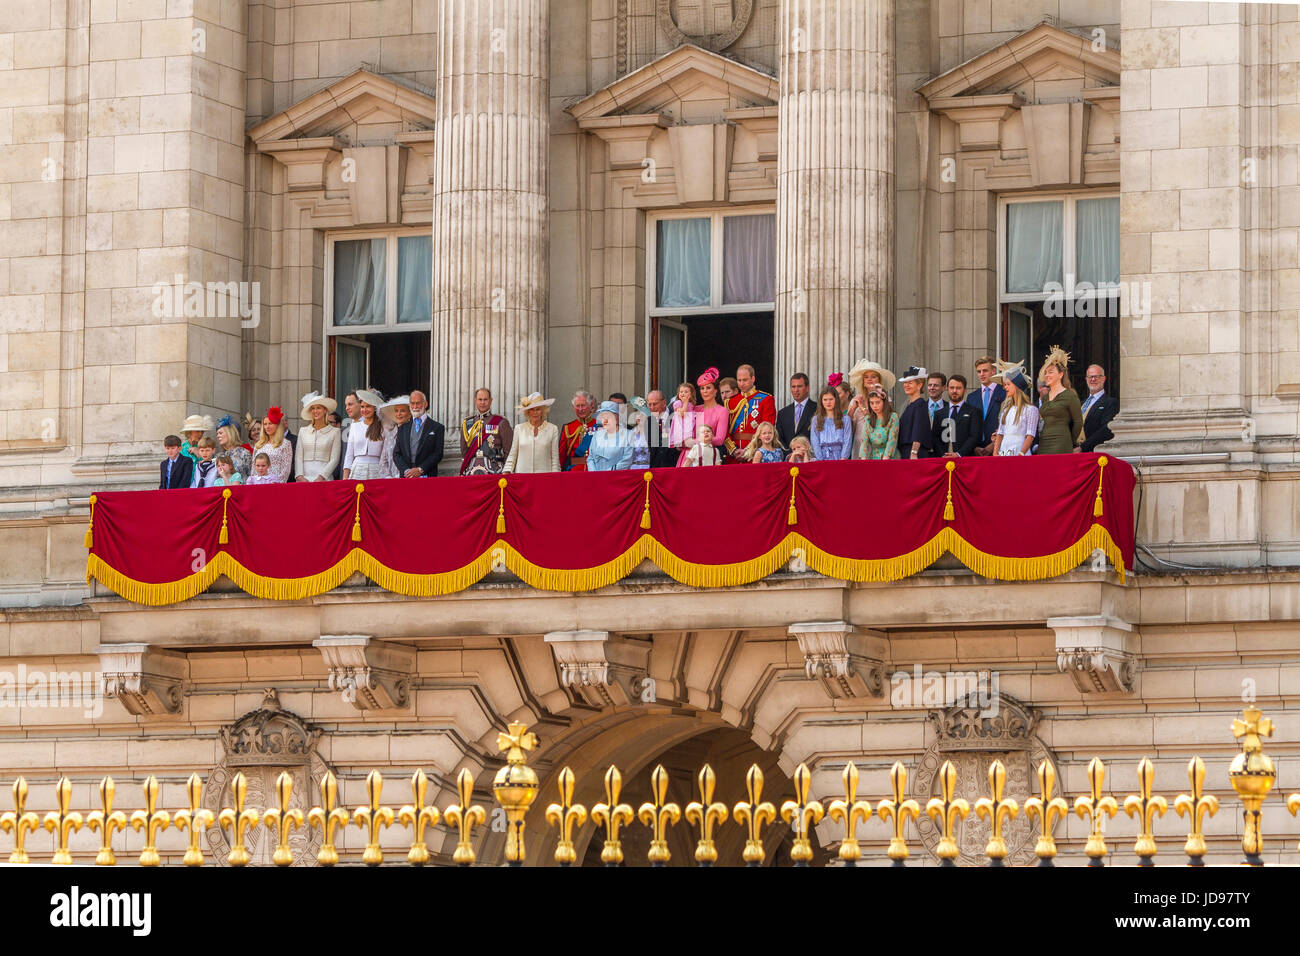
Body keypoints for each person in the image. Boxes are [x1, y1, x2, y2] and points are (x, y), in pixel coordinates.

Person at [1036, 345, 1084, 455]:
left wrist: (1069, 440)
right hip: (1044, 443)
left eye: (1051, 372)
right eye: (1046, 372)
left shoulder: (1070, 395)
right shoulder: (1045, 397)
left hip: (1062, 442)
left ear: (1060, 374)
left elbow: (1078, 422)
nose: (1047, 375)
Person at [725, 364, 776, 462]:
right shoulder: (730, 402)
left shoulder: (766, 399)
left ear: (753, 379)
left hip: (755, 453)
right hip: (733, 456)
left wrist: (748, 450)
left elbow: (768, 428)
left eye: (745, 380)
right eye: (739, 380)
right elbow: (725, 431)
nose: (741, 384)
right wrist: (733, 450)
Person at [846, 360, 896, 457]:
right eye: (866, 377)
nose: (869, 379)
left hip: (878, 445)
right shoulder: (856, 399)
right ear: (863, 381)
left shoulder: (886, 399)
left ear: (879, 380)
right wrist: (852, 409)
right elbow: (848, 429)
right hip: (859, 444)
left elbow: (884, 423)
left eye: (873, 376)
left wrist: (863, 408)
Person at [459, 388, 513, 476]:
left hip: (495, 470)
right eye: (480, 399)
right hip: (472, 471)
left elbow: (509, 450)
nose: (482, 402)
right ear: (475, 400)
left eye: (485, 399)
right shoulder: (468, 423)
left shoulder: (501, 422)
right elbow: (464, 451)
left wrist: (507, 470)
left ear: (491, 401)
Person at [504, 392, 560, 474]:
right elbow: (513, 454)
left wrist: (555, 476)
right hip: (522, 477)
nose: (535, 413)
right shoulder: (519, 429)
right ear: (527, 412)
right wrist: (507, 470)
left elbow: (555, 458)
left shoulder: (553, 429)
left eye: (538, 409)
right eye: (532, 409)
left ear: (543, 410)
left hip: (544, 477)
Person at [992, 362, 1040, 457]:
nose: (1005, 387)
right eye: (1004, 385)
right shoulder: (1005, 409)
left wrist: (1021, 454)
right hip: (1004, 451)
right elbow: (1000, 433)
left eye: (1008, 384)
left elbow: (1030, 435)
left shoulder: (1031, 409)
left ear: (1017, 386)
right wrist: (995, 453)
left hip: (1020, 452)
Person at [393, 389, 444, 478]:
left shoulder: (437, 427)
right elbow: (396, 454)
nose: (415, 406)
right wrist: (406, 470)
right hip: (406, 477)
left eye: (418, 403)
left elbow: (438, 453)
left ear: (426, 404)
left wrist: (420, 469)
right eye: (412, 403)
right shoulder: (402, 428)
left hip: (427, 476)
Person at [294, 391, 341, 482]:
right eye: (313, 408)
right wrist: (300, 476)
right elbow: (298, 457)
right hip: (304, 480)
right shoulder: (303, 431)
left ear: (325, 410)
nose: (315, 411)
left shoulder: (335, 432)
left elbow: (334, 459)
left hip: (324, 480)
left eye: (318, 408)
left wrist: (322, 477)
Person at [342, 388, 387, 480]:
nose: (365, 410)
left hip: (377, 470)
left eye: (368, 406)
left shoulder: (384, 427)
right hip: (356, 470)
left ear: (375, 408)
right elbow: (349, 455)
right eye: (362, 407)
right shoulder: (354, 426)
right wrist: (345, 479)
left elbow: (385, 456)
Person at [967, 356, 1006, 456]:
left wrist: (994, 445)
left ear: (993, 371)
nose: (981, 374)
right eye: (979, 371)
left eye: (985, 371)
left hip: (1000, 447)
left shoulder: (1005, 393)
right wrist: (973, 446)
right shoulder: (971, 397)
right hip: (976, 450)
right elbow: (968, 425)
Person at [690, 368, 730, 463]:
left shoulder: (722, 411)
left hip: (710, 457)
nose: (705, 391)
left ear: (716, 390)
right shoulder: (695, 409)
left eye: (708, 388)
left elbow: (720, 439)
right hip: (691, 455)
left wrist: (693, 442)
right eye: (702, 388)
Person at [935, 374, 979, 457]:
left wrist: (959, 454)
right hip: (943, 460)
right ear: (947, 389)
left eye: (958, 388)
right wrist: (942, 454)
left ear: (965, 390)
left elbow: (974, 437)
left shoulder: (974, 412)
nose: (954, 391)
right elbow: (935, 437)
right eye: (951, 388)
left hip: (966, 460)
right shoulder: (939, 413)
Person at [1079, 365, 1119, 453]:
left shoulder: (1110, 402)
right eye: (1090, 377)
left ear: (1103, 379)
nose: (1093, 379)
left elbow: (1106, 429)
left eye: (1097, 376)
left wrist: (1083, 447)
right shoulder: (1081, 403)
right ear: (1086, 379)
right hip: (1075, 452)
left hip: (1094, 453)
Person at [896, 366, 932, 460]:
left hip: (914, 452)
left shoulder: (920, 404)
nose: (906, 385)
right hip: (905, 451)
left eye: (910, 383)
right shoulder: (908, 405)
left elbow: (918, 429)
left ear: (919, 385)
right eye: (905, 382)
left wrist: (914, 452)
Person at [587, 401, 634, 472]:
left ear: (617, 418)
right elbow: (590, 458)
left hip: (616, 478)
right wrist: (594, 473)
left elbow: (627, 460)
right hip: (596, 478)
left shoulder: (628, 435)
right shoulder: (597, 435)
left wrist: (607, 473)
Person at [809, 386, 853, 460]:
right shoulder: (816, 419)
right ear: (821, 401)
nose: (828, 402)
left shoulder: (845, 419)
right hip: (822, 457)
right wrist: (820, 459)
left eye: (831, 399)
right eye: (825, 400)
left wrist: (843, 458)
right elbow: (814, 441)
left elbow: (847, 440)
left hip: (839, 457)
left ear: (836, 400)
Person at [560, 390, 597, 471]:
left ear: (591, 406)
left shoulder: (599, 426)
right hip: (574, 471)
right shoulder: (568, 427)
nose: (580, 409)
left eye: (583, 405)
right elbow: (562, 455)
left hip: (594, 470)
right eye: (577, 406)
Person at [255, 407, 294, 482]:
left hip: (275, 485)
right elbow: (254, 469)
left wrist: (275, 484)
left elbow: (285, 470)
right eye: (265, 424)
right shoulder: (259, 444)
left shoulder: (285, 444)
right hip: (258, 485)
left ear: (277, 425)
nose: (267, 427)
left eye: (270, 423)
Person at [777, 372, 814, 449]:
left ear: (807, 388)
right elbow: (779, 438)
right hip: (788, 458)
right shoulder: (782, 413)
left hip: (810, 457)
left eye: (799, 386)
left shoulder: (818, 409)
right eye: (793, 387)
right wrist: (789, 454)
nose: (796, 390)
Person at [378, 395, 412, 478]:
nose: (399, 414)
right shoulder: (390, 434)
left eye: (402, 411)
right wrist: (388, 477)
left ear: (410, 414)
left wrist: (400, 475)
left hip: (408, 478)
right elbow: (383, 460)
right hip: (390, 481)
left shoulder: (413, 433)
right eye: (396, 411)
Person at [859, 391, 899, 459]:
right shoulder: (868, 419)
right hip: (874, 457)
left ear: (884, 402)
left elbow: (892, 440)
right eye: (872, 403)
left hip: (890, 458)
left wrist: (886, 458)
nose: (874, 406)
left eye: (878, 402)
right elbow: (864, 442)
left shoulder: (893, 417)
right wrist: (863, 460)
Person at [643, 390, 676, 468]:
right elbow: (652, 449)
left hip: (674, 468)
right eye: (649, 404)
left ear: (664, 403)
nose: (651, 408)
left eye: (654, 404)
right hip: (656, 469)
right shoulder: (648, 422)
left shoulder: (675, 417)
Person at [215, 415, 252, 479]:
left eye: (220, 433)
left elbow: (251, 476)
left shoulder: (244, 453)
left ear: (230, 434)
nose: (218, 436)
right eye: (217, 434)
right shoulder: (219, 456)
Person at [336, 392, 360, 480]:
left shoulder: (372, 426)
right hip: (348, 478)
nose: (347, 408)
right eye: (346, 405)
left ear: (360, 404)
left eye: (350, 404)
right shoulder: (345, 430)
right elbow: (344, 457)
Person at [627, 397, 653, 470]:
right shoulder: (630, 433)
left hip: (649, 470)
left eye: (642, 414)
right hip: (632, 469)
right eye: (637, 413)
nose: (639, 417)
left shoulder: (653, 433)